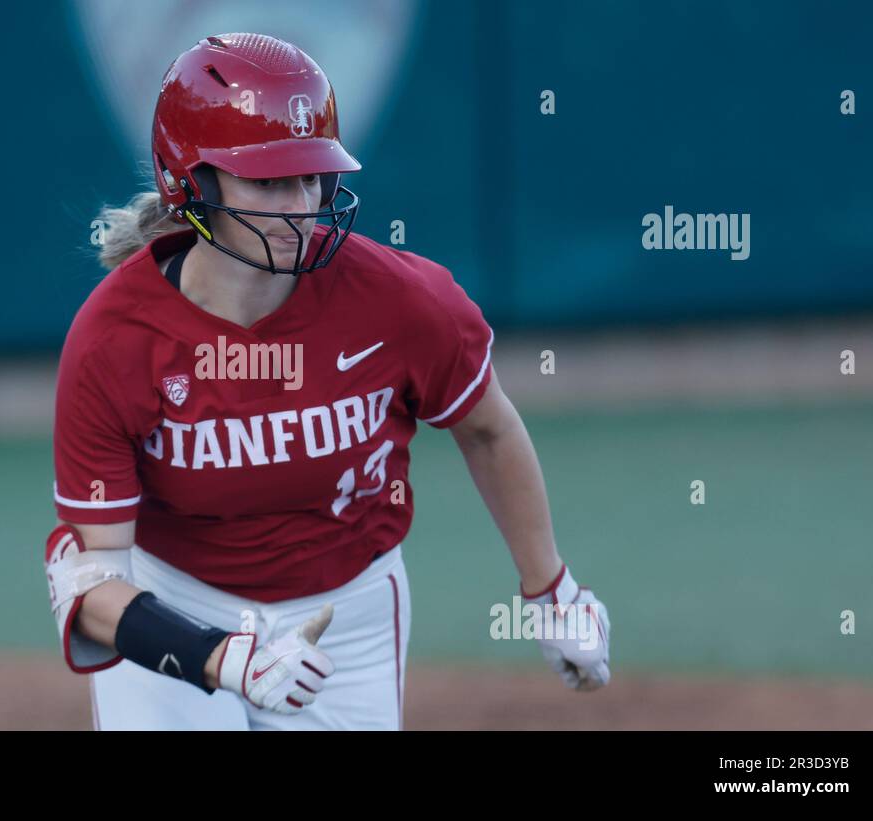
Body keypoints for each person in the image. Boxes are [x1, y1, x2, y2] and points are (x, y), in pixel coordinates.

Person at [43, 32, 610, 730]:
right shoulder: (115, 338)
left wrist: (551, 589)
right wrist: (222, 656)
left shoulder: (401, 301)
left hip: (347, 614)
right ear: (190, 183)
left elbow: (488, 428)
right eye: (269, 179)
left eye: (311, 175)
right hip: (176, 608)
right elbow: (92, 580)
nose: (301, 204)